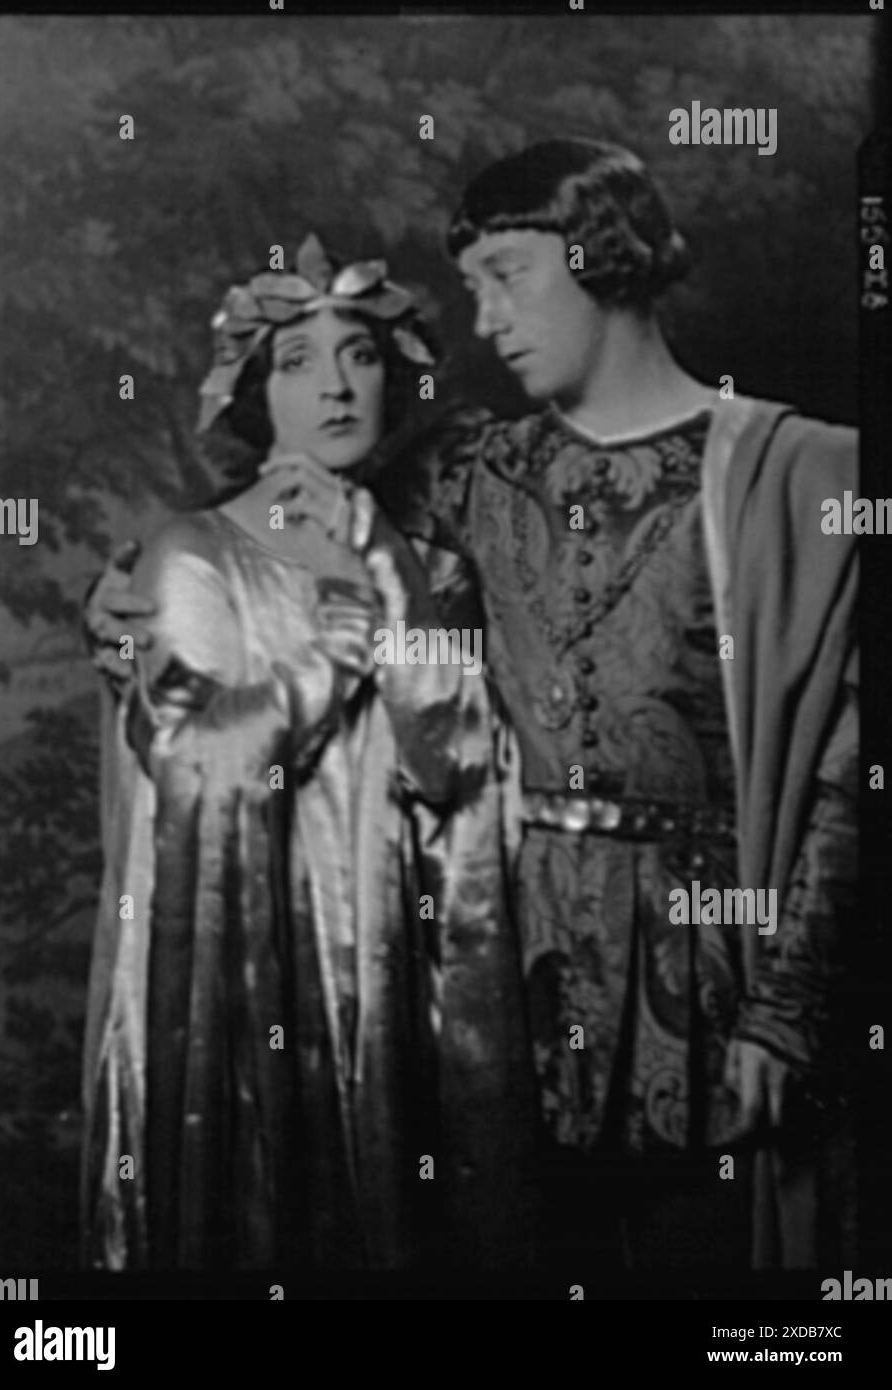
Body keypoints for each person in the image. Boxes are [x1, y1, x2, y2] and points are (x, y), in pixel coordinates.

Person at [88, 141, 859, 1274]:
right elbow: (282, 512)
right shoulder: (465, 469)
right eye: (473, 285)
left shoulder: (804, 472)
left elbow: (848, 768)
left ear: (602, 252)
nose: (484, 317)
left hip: (714, 978)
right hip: (494, 983)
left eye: (508, 273)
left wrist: (788, 1009)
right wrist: (128, 588)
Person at [80, 233, 535, 1272]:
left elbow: (456, 763)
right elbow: (204, 771)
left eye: (362, 356)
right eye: (297, 362)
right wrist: (327, 664)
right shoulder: (189, 553)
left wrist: (382, 569)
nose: (336, 386)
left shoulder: (421, 562)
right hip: (246, 982)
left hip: (387, 968)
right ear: (254, 393)